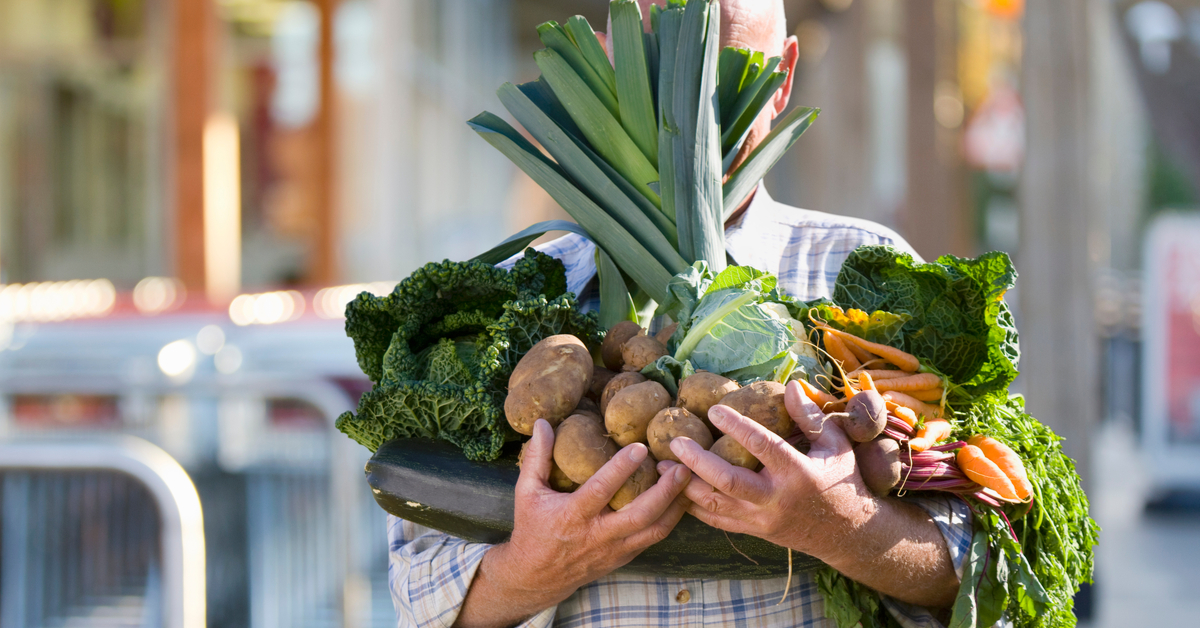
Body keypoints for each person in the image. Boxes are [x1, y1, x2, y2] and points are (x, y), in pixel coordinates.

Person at [388, 1, 972, 626]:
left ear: (782, 78)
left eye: (722, 70)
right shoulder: (508, 308)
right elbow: (415, 594)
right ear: (605, 64)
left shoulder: (872, 276)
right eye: (652, 65)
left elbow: (984, 570)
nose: (684, 104)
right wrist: (529, 570)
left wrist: (843, 527)